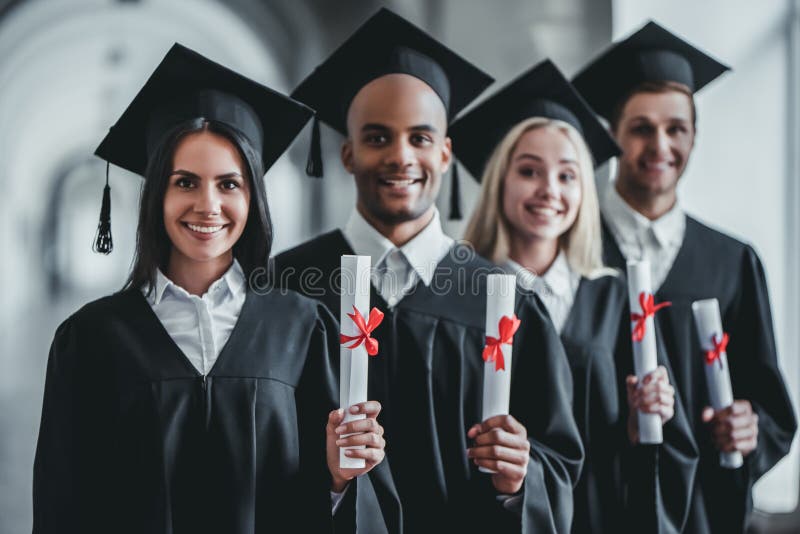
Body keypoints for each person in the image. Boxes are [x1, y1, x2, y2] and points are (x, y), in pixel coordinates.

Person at [33, 44, 395, 534]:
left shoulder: (301, 327)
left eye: (229, 184)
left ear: (253, 197)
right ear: (156, 193)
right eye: (185, 182)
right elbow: (63, 504)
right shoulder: (91, 338)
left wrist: (337, 477)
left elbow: (327, 498)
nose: (208, 205)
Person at [273, 8, 584, 533]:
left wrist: (519, 477)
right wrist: (327, 482)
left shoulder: (502, 298)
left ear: (444, 154)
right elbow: (259, 452)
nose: (400, 156)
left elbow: (560, 465)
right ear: (347, 154)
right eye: (376, 138)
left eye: (420, 138)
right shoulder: (286, 285)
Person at [452, 58, 697, 533]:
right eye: (529, 171)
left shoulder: (616, 300)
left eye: (567, 175)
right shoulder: (459, 295)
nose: (549, 190)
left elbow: (654, 456)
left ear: (585, 190)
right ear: (499, 178)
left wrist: (645, 425)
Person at [573, 20, 797, 533]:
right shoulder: (574, 249)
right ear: (612, 136)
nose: (661, 145)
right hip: (594, 512)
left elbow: (769, 406)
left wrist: (749, 428)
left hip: (704, 515)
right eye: (641, 128)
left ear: (694, 134)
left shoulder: (731, 261)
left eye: (676, 128)